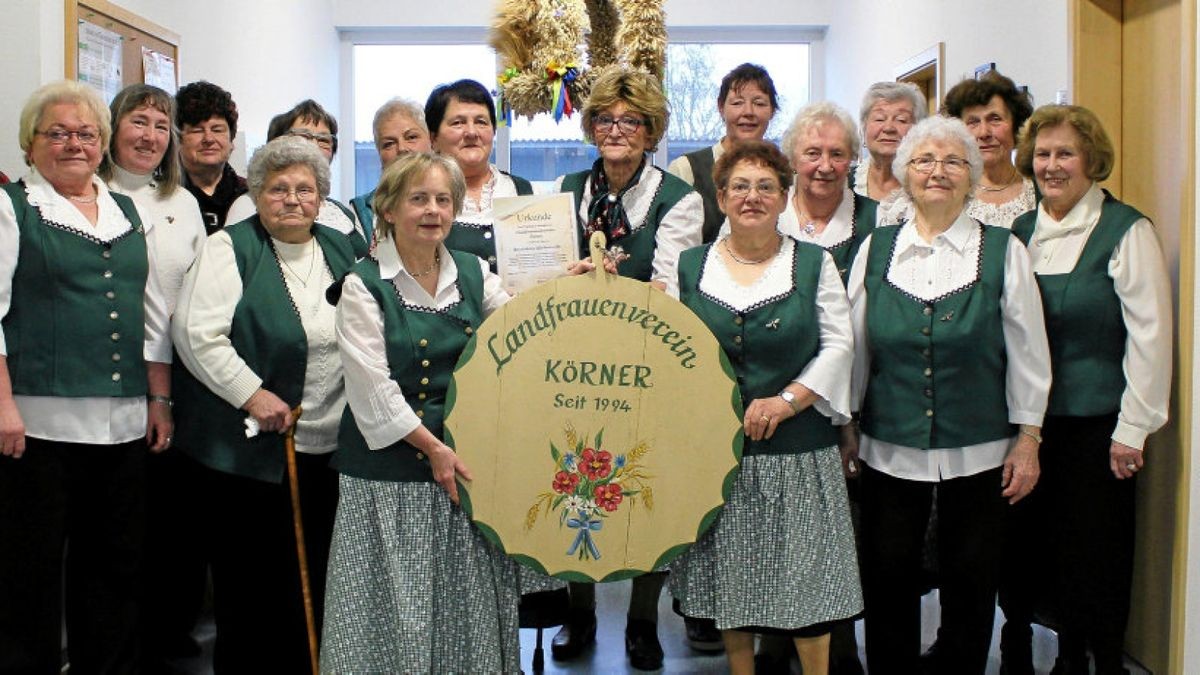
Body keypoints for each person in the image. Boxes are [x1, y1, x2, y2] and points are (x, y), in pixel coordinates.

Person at [320, 151, 594, 671]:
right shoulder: (362, 285)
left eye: (444, 200)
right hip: (389, 482)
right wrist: (435, 448)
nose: (433, 211)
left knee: (464, 610)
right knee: (393, 614)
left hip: (463, 473)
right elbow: (373, 390)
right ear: (389, 208)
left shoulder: (473, 272)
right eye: (418, 199)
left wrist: (582, 288)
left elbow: (524, 327)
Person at [846, 116, 1051, 674]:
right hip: (889, 444)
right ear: (906, 175)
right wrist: (847, 424)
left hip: (980, 448)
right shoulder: (876, 249)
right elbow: (856, 347)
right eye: (924, 160)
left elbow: (1030, 353)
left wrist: (1028, 438)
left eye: (953, 161)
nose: (938, 171)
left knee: (972, 576)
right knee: (887, 574)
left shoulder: (1004, 251)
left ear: (972, 176)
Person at [668, 140, 861, 675]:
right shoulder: (689, 267)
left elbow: (839, 345)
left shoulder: (814, 263)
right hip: (720, 457)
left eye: (765, 186)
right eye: (739, 186)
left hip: (799, 454)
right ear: (721, 197)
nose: (752, 197)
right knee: (733, 579)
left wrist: (788, 400)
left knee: (805, 584)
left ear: (784, 197)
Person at [0, 79, 173, 673]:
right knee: (31, 575)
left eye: (86, 133)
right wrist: (3, 408)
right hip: (39, 425)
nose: (74, 143)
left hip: (122, 424)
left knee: (116, 570)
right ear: (30, 145)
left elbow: (152, 315)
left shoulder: (126, 209)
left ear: (102, 145)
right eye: (58, 133)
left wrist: (159, 400)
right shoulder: (14, 207)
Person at [171, 136, 356, 672]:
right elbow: (196, 334)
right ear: (257, 195)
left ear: (321, 197)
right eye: (278, 189)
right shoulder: (229, 248)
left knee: (318, 580)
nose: (292, 199)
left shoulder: (342, 249)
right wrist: (253, 395)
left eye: (305, 188)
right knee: (253, 589)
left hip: (327, 448)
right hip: (247, 457)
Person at [551, 67, 703, 670]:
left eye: (631, 121)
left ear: (651, 131)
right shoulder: (564, 189)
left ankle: (643, 622)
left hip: (647, 366)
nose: (617, 131)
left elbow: (669, 291)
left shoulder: (678, 199)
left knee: (644, 489)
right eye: (606, 120)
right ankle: (580, 611)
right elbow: (541, 275)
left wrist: (611, 288)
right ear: (590, 127)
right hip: (572, 365)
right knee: (572, 480)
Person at [1011, 105, 1171, 675]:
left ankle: (1103, 659)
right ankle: (1064, 657)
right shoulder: (1020, 231)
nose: (1052, 166)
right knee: (1039, 552)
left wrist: (1134, 428)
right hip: (1031, 428)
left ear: (1091, 161)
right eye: (1043, 154)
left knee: (1095, 556)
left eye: (1065, 154)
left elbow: (1150, 338)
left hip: (1100, 428)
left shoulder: (1127, 230)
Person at [97, 82, 209, 668]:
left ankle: (169, 637)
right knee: (121, 529)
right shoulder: (94, 195)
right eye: (138, 122)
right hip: (122, 379)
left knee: (174, 527)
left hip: (183, 379)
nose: (150, 136)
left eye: (161, 127)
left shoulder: (182, 202)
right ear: (113, 128)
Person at [879, 71, 1036, 230]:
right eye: (973, 122)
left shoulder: (1038, 194)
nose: (984, 133)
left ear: (1016, 125)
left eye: (995, 119)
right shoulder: (936, 191)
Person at [226, 99, 371, 256]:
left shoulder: (342, 211)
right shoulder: (248, 206)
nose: (314, 145)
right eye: (303, 136)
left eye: (323, 140)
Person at [426, 79, 532, 271]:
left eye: (481, 122)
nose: (472, 132)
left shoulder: (525, 191)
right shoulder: (421, 201)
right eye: (458, 123)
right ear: (433, 138)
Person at [667, 63, 779, 244]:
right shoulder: (686, 169)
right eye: (737, 103)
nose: (748, 112)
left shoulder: (784, 172)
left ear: (772, 111)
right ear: (721, 108)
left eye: (759, 103)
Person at [349, 97, 432, 236]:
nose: (402, 148)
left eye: (411, 137)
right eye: (389, 144)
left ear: (431, 141)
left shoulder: (456, 199)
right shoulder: (362, 212)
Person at [175, 80, 247, 233]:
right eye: (197, 130)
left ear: (231, 140)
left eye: (217, 129)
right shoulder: (163, 194)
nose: (208, 139)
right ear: (178, 139)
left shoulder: (251, 195)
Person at [854, 81, 926, 204]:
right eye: (879, 118)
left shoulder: (927, 187)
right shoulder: (843, 184)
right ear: (863, 128)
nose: (888, 128)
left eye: (901, 120)